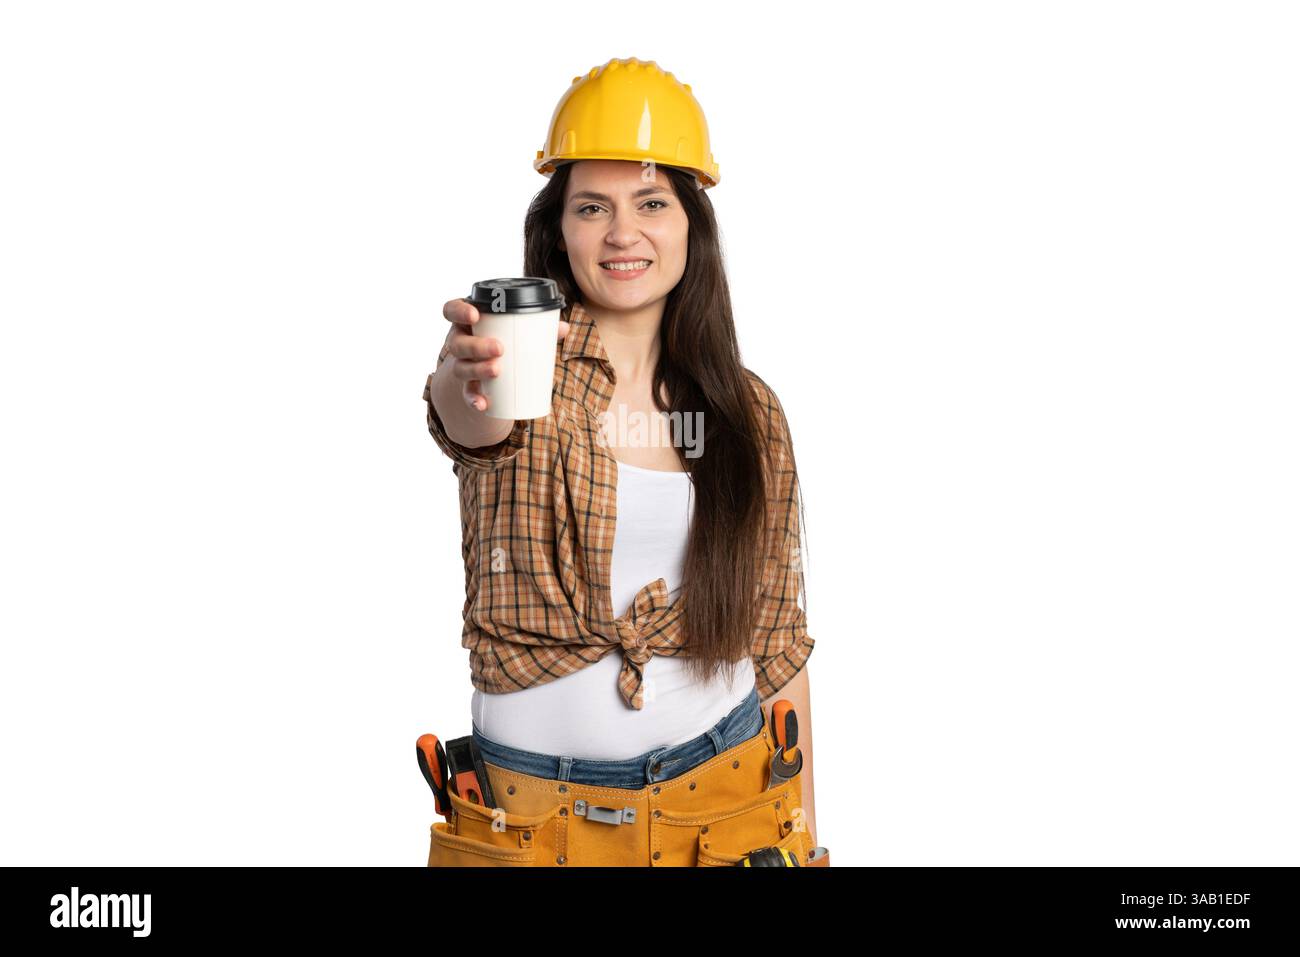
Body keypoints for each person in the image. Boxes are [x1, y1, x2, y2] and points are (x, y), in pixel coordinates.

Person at [422, 57, 820, 865]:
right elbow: (470, 423)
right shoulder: (517, 371)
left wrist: (810, 839)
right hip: (528, 820)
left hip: (728, 799)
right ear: (558, 228)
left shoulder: (750, 412)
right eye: (592, 207)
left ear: (690, 224)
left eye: (651, 203)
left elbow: (778, 648)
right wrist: (463, 376)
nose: (622, 233)